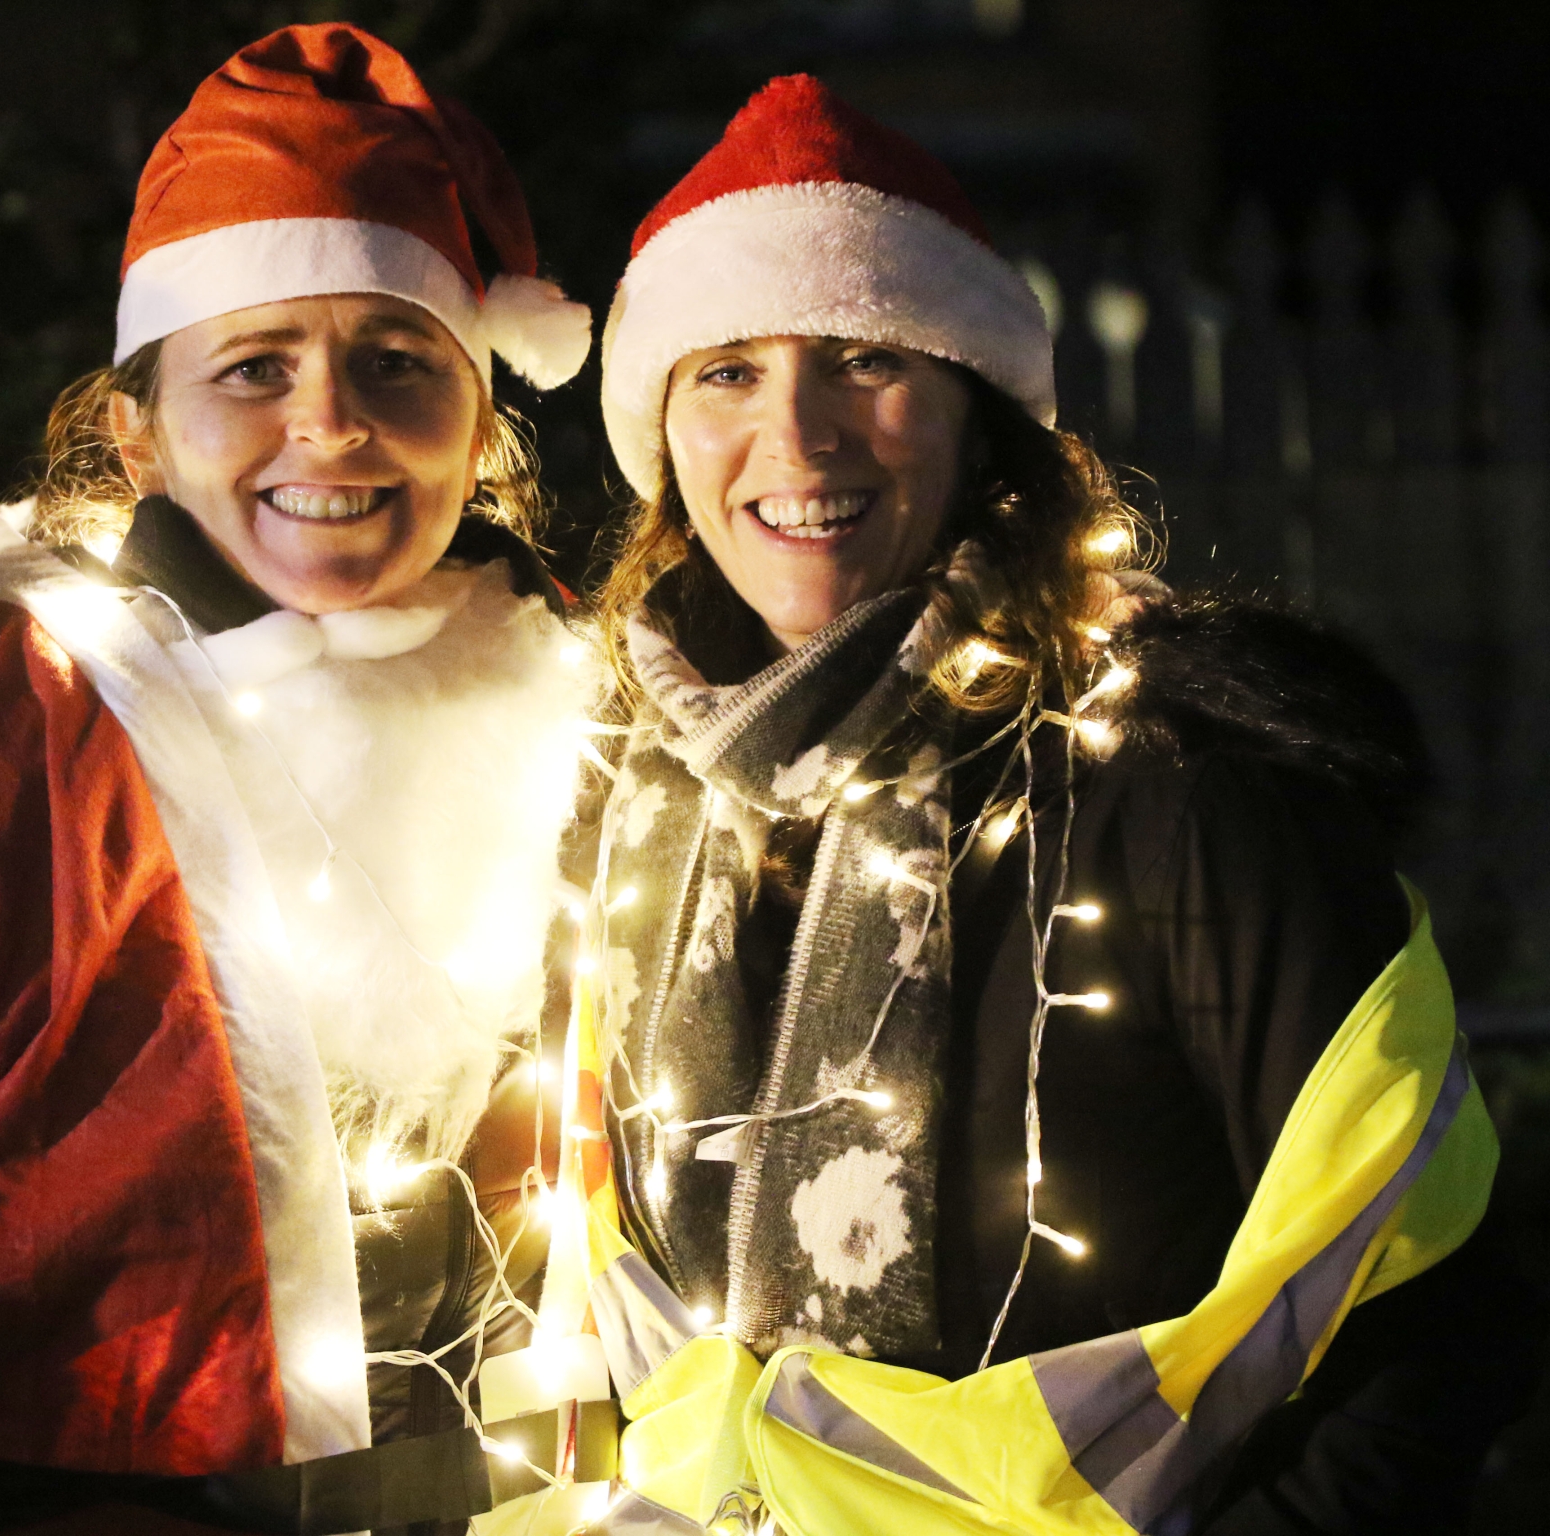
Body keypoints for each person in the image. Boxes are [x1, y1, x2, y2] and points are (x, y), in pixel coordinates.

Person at [0, 25, 598, 1535]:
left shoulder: (591, 730)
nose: (330, 423)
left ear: (482, 426)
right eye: (255, 367)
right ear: (137, 435)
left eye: (397, 363)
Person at [556, 75, 1537, 1535]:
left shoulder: (1177, 781)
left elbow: (1426, 1299)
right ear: (663, 441)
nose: (799, 434)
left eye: (865, 358)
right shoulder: (635, 808)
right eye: (728, 373)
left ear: (977, 413)